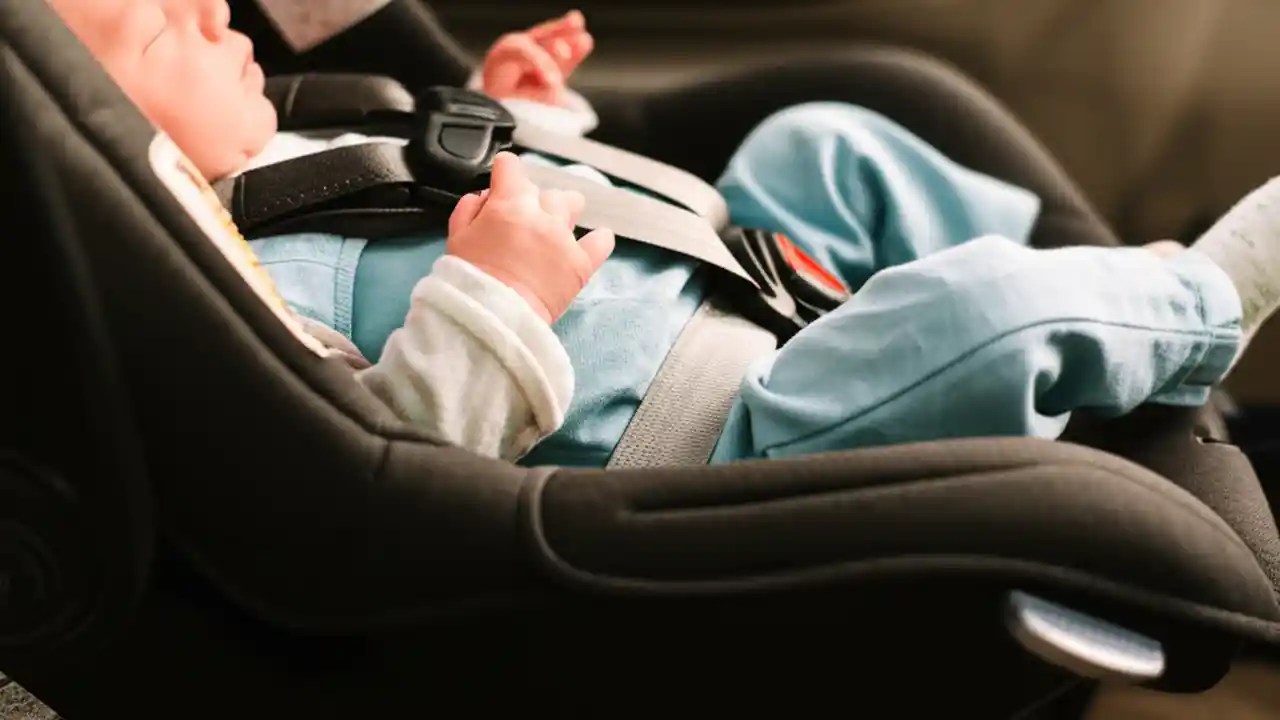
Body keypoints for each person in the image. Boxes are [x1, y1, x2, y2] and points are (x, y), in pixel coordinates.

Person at [46, 0, 1277, 469]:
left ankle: (1087, 316)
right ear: (104, 146)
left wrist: (517, 118)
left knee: (820, 144)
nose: (211, 2)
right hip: (741, 420)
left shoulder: (279, 145)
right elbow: (382, 459)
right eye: (162, 28)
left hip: (734, 269)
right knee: (967, 314)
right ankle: (1196, 300)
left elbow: (414, 197)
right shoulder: (220, 300)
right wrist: (494, 301)